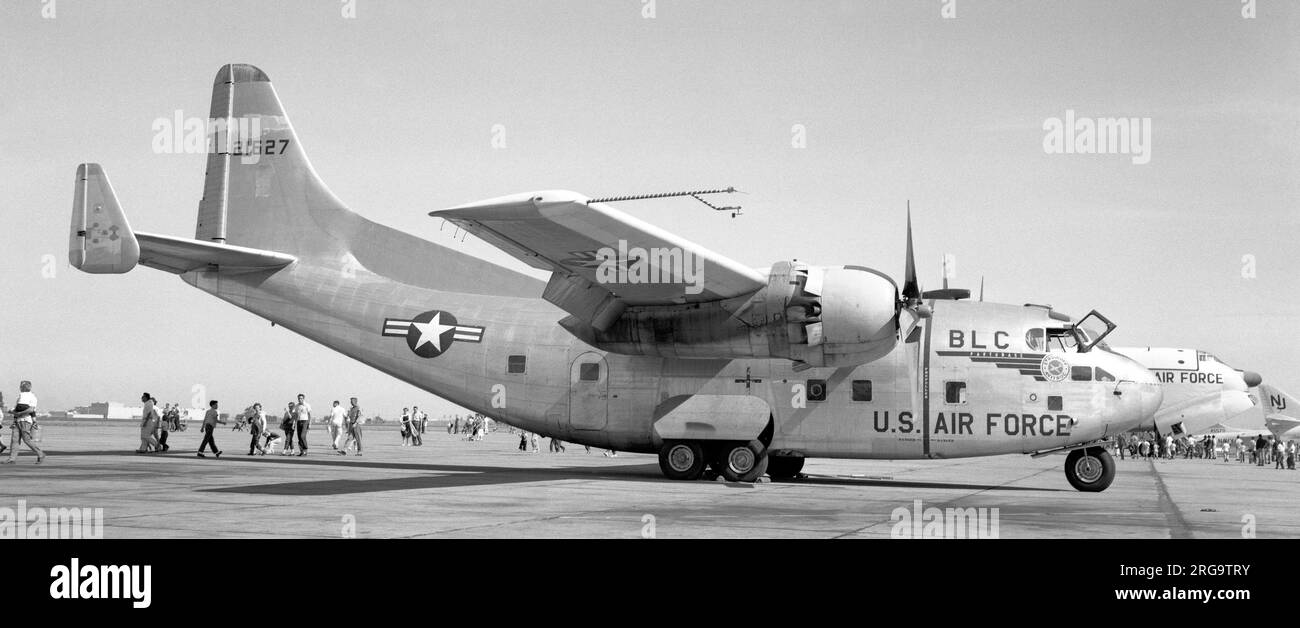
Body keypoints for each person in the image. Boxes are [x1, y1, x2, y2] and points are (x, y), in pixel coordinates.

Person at [4, 381, 44, 464]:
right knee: (14, 439)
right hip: (17, 420)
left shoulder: (32, 397)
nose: (20, 388)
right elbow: (16, 407)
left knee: (27, 439)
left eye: (21, 386)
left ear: (26, 387)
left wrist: (19, 413)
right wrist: (12, 411)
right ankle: (12, 458)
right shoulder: (20, 396)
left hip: (26, 420)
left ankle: (40, 454)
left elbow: (31, 410)